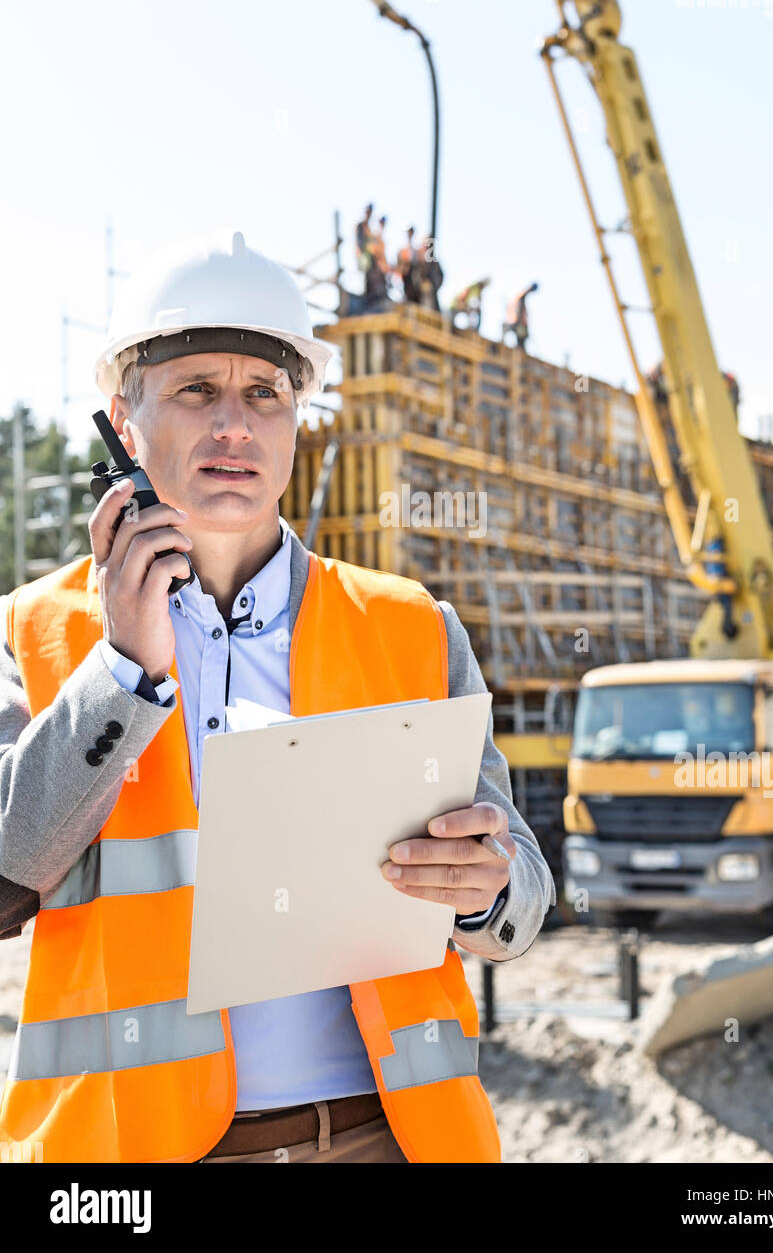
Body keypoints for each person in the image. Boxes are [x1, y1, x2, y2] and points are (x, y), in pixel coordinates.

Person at [0, 229, 555, 1165]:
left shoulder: (411, 627)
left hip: (388, 1142)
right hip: (134, 1157)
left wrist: (485, 887)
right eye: (196, 391)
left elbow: (526, 901)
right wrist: (125, 672)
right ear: (122, 423)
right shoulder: (34, 636)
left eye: (266, 392)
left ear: (297, 417)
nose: (235, 426)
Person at [502, 282, 539, 349]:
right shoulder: (520, 299)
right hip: (517, 322)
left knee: (521, 339)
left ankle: (520, 348)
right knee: (520, 336)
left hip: (519, 323)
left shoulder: (520, 299)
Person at [397, 226, 421, 304]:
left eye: (411, 232)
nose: (410, 234)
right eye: (409, 232)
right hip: (404, 284)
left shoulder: (416, 251)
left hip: (414, 284)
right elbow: (399, 268)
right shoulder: (402, 250)